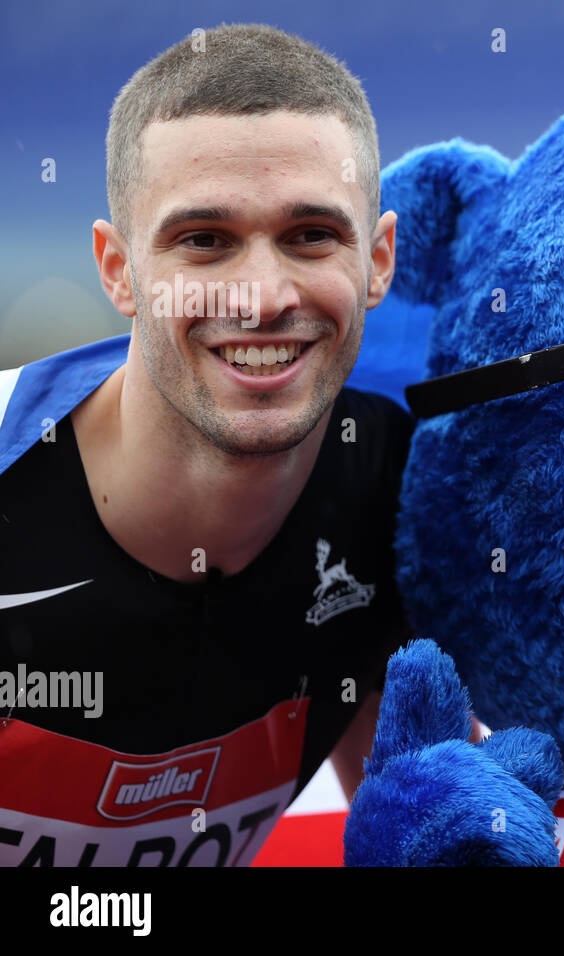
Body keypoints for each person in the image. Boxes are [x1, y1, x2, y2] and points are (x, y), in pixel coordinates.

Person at [0, 23, 414, 866]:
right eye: (204, 241)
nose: (261, 298)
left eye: (311, 234)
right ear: (118, 270)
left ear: (377, 260)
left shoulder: (403, 491)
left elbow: (413, 819)